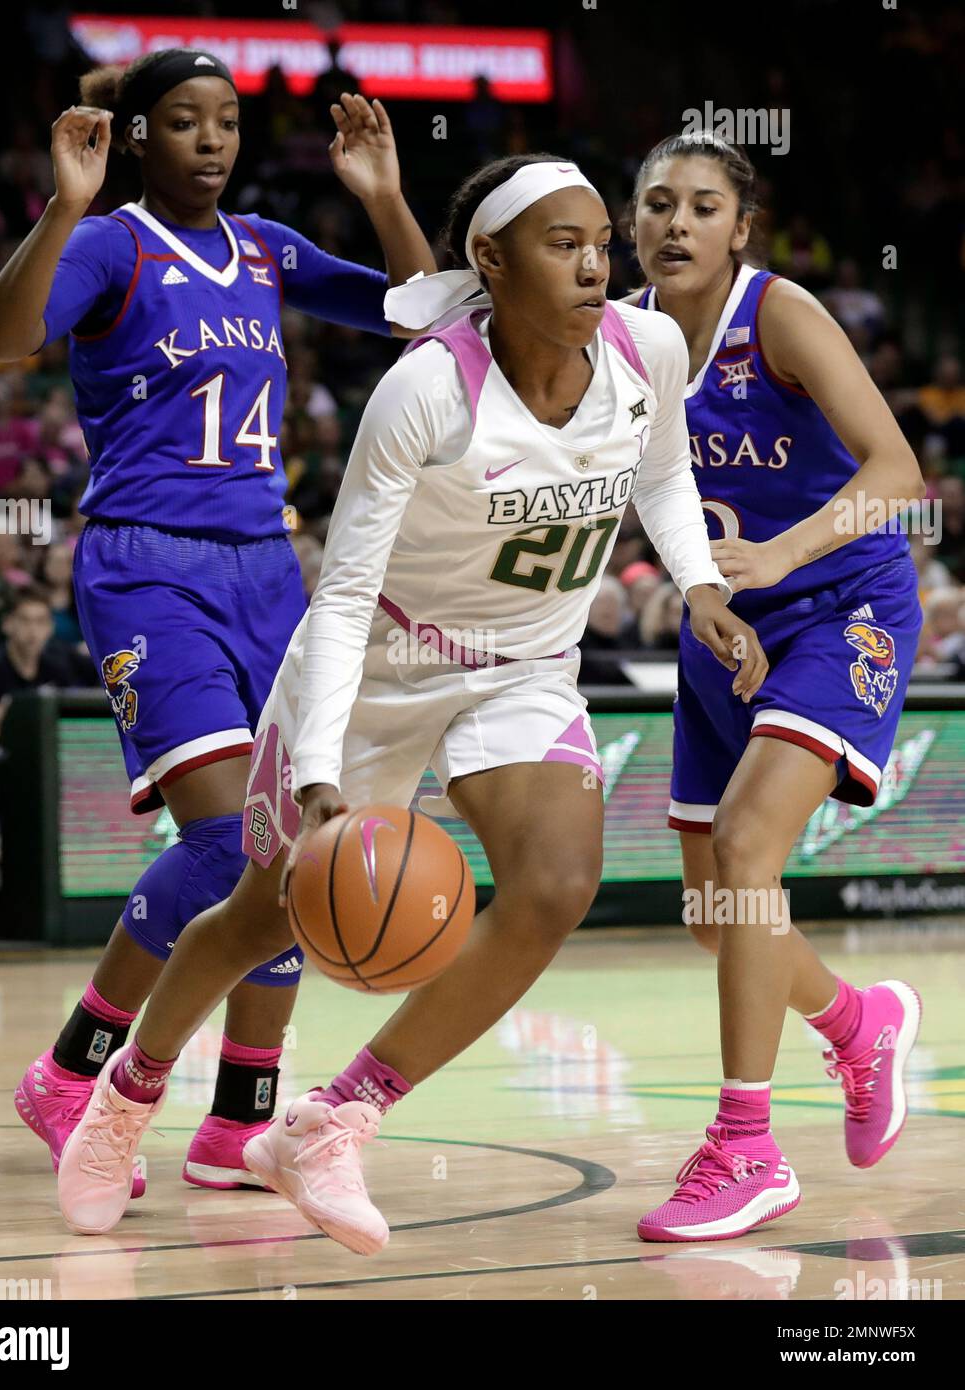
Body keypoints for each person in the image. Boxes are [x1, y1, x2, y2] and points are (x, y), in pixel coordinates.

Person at [54, 153, 767, 1243]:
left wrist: (703, 587)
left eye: (600, 245)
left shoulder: (648, 345)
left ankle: (335, 1119)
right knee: (261, 911)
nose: (594, 265)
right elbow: (340, 600)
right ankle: (129, 1093)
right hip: (383, 665)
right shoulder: (428, 387)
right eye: (562, 244)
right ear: (490, 258)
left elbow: (661, 473)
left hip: (523, 664)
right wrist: (321, 773)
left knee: (558, 881)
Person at [0, 47, 436, 1198]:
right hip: (147, 568)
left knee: (290, 846)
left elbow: (421, 318)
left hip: (272, 572)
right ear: (135, 136)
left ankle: (240, 1118)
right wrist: (62, 204)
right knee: (231, 844)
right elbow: (2, 338)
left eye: (228, 121)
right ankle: (70, 1071)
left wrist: (382, 195)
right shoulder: (109, 244)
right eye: (185, 122)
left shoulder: (268, 250)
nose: (215, 140)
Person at [624, 131, 925, 1240]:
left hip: (839, 607)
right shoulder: (632, 336)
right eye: (657, 203)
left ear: (740, 227)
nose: (677, 223)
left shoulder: (780, 313)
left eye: (703, 205)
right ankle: (859, 1024)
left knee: (751, 853)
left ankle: (746, 1148)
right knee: (717, 912)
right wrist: (700, 590)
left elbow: (898, 470)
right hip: (725, 623)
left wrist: (780, 560)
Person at [0, 586, 92, 744]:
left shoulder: (60, 662)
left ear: (50, 627)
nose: (33, 631)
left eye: (40, 621)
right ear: (7, 624)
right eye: (24, 621)